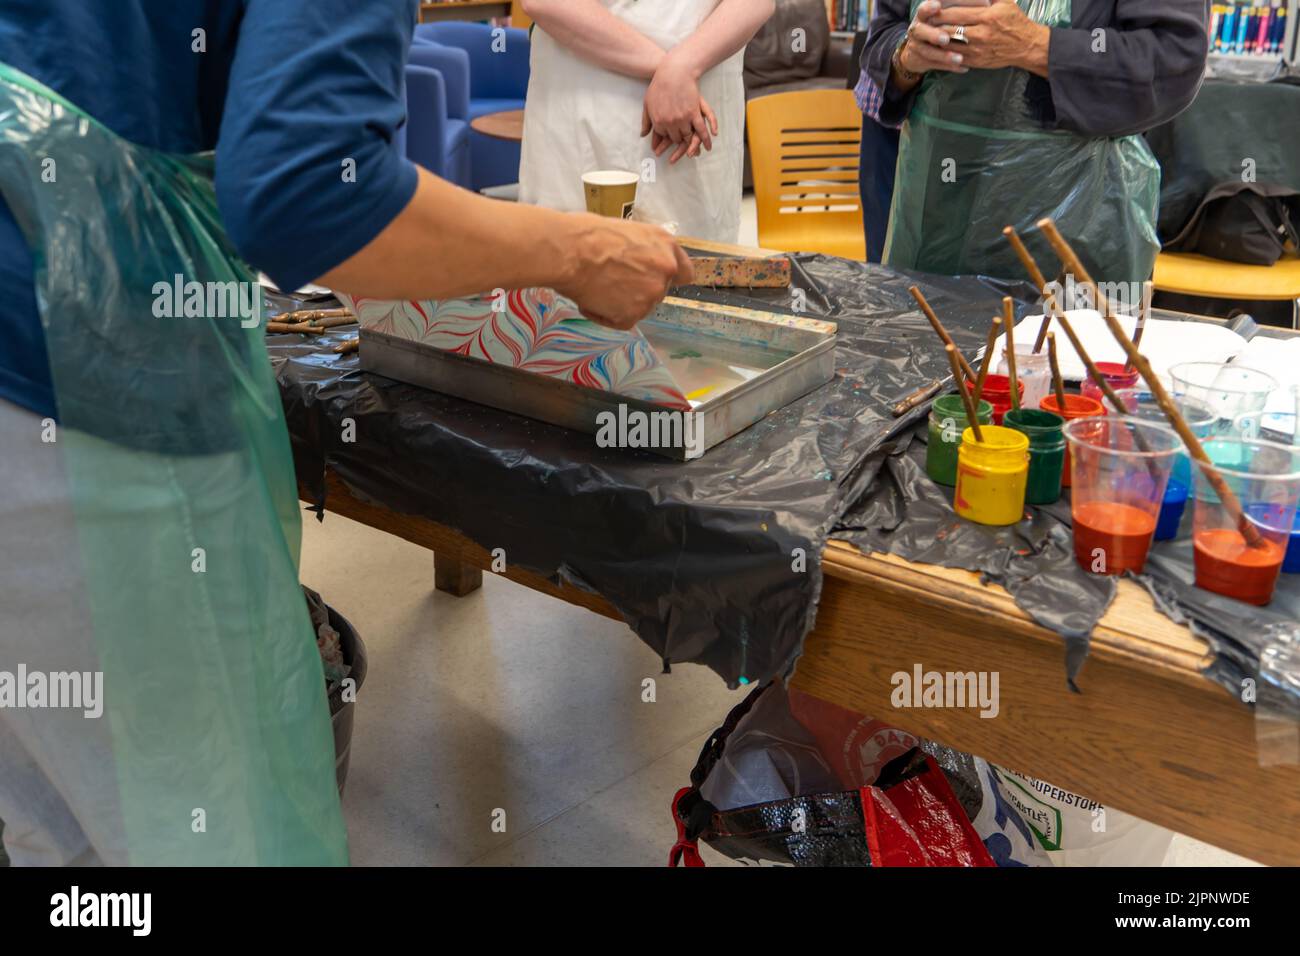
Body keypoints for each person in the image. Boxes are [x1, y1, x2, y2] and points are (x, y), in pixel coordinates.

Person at [0, 0, 695, 866]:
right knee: (196, 820)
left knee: (52, 829)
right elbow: (310, 192)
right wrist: (582, 252)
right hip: (63, 374)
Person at [862, 0, 1209, 287]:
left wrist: (1035, 46)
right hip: (930, 219)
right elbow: (884, 36)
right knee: (927, 353)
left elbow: (1173, 61)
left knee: (1066, 362)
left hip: (1077, 224)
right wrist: (906, 59)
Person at [519, 0, 775, 242]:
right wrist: (672, 72)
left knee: (695, 268)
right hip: (582, 113)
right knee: (574, 261)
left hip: (695, 118)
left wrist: (683, 66)